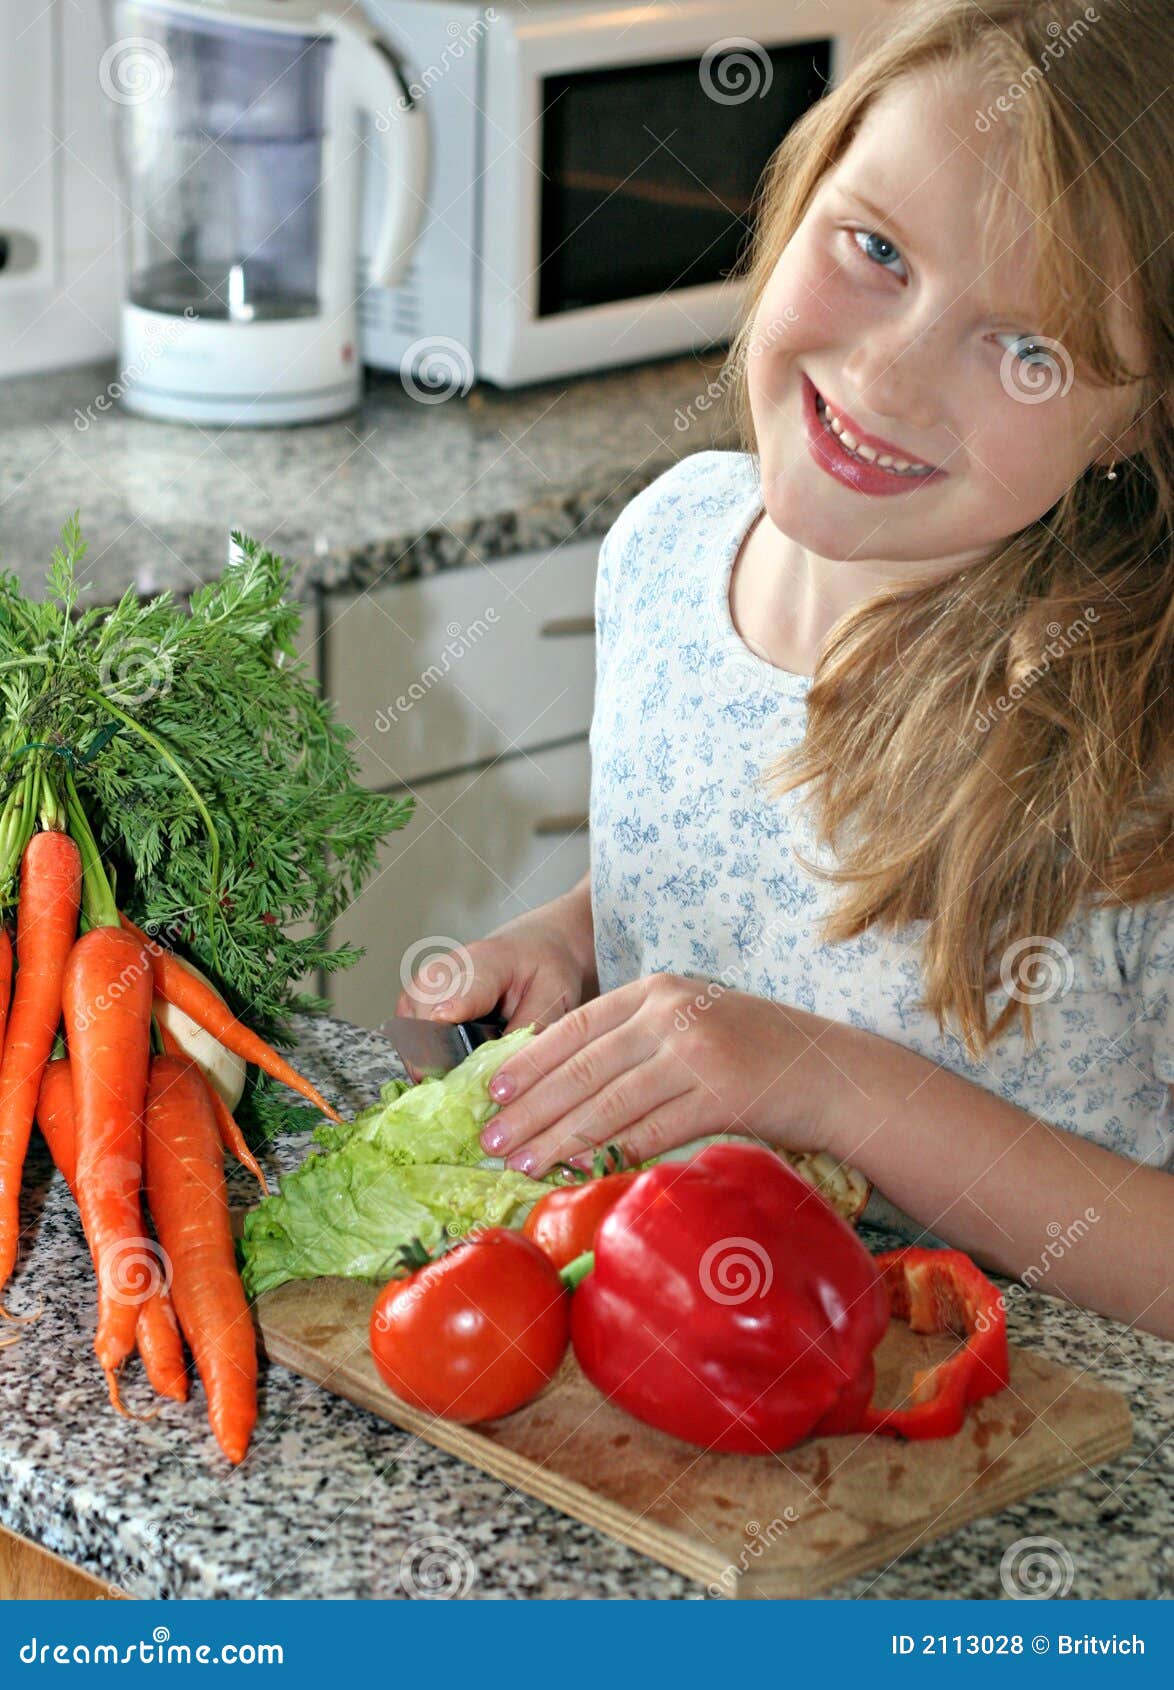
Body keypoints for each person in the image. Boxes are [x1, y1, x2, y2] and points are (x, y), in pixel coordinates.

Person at [397, 0, 1173, 1338]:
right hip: (682, 1404)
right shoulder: (667, 547)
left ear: (1135, 418)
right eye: (874, 248)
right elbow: (772, 848)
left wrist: (829, 1084)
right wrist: (572, 944)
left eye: (1027, 347)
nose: (887, 374)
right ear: (800, 187)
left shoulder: (1134, 735)